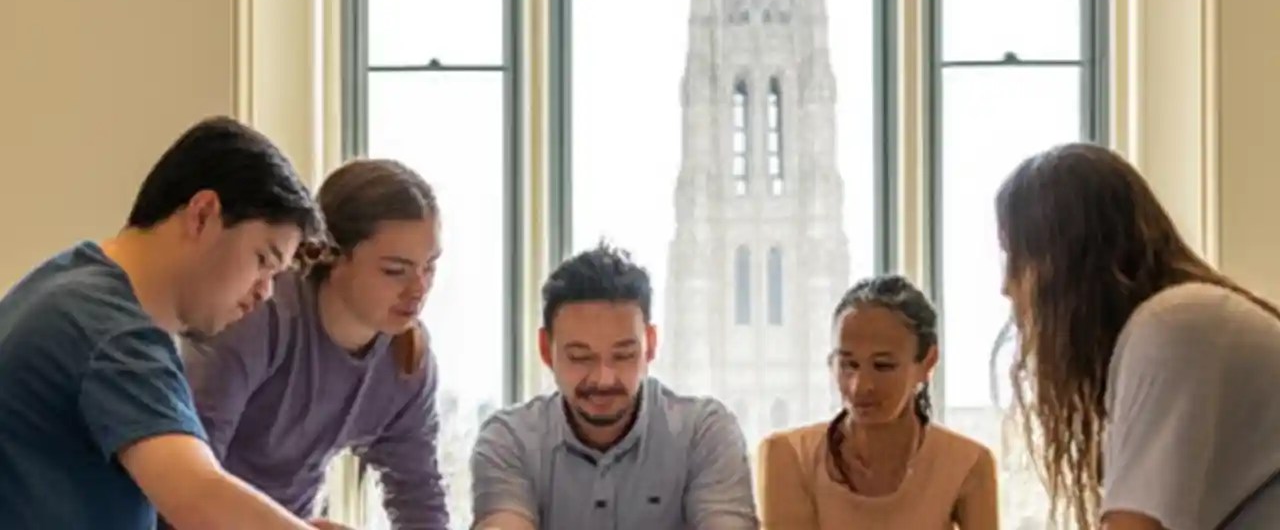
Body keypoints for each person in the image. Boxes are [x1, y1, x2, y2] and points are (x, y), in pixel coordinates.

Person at [0, 116, 349, 530]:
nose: (265, 291)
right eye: (263, 260)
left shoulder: (71, 284)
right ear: (202, 215)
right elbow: (198, 499)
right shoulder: (112, 331)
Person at [996, 143, 1280, 530]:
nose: (1006, 287)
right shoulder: (1178, 323)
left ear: (1062, 262)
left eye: (1016, 258)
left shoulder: (1175, 325)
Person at [179, 158, 448, 528]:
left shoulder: (407, 361)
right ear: (331, 256)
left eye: (429, 266)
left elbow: (419, 497)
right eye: (395, 270)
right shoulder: (257, 317)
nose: (419, 289)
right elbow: (187, 484)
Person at [470, 242, 759, 529]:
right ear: (546, 350)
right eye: (580, 357)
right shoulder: (510, 441)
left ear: (650, 346)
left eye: (623, 356)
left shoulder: (703, 434)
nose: (603, 379)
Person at [757, 275, 998, 529]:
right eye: (848, 365)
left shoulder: (967, 465)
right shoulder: (790, 457)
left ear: (927, 363)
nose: (860, 386)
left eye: (883, 366)